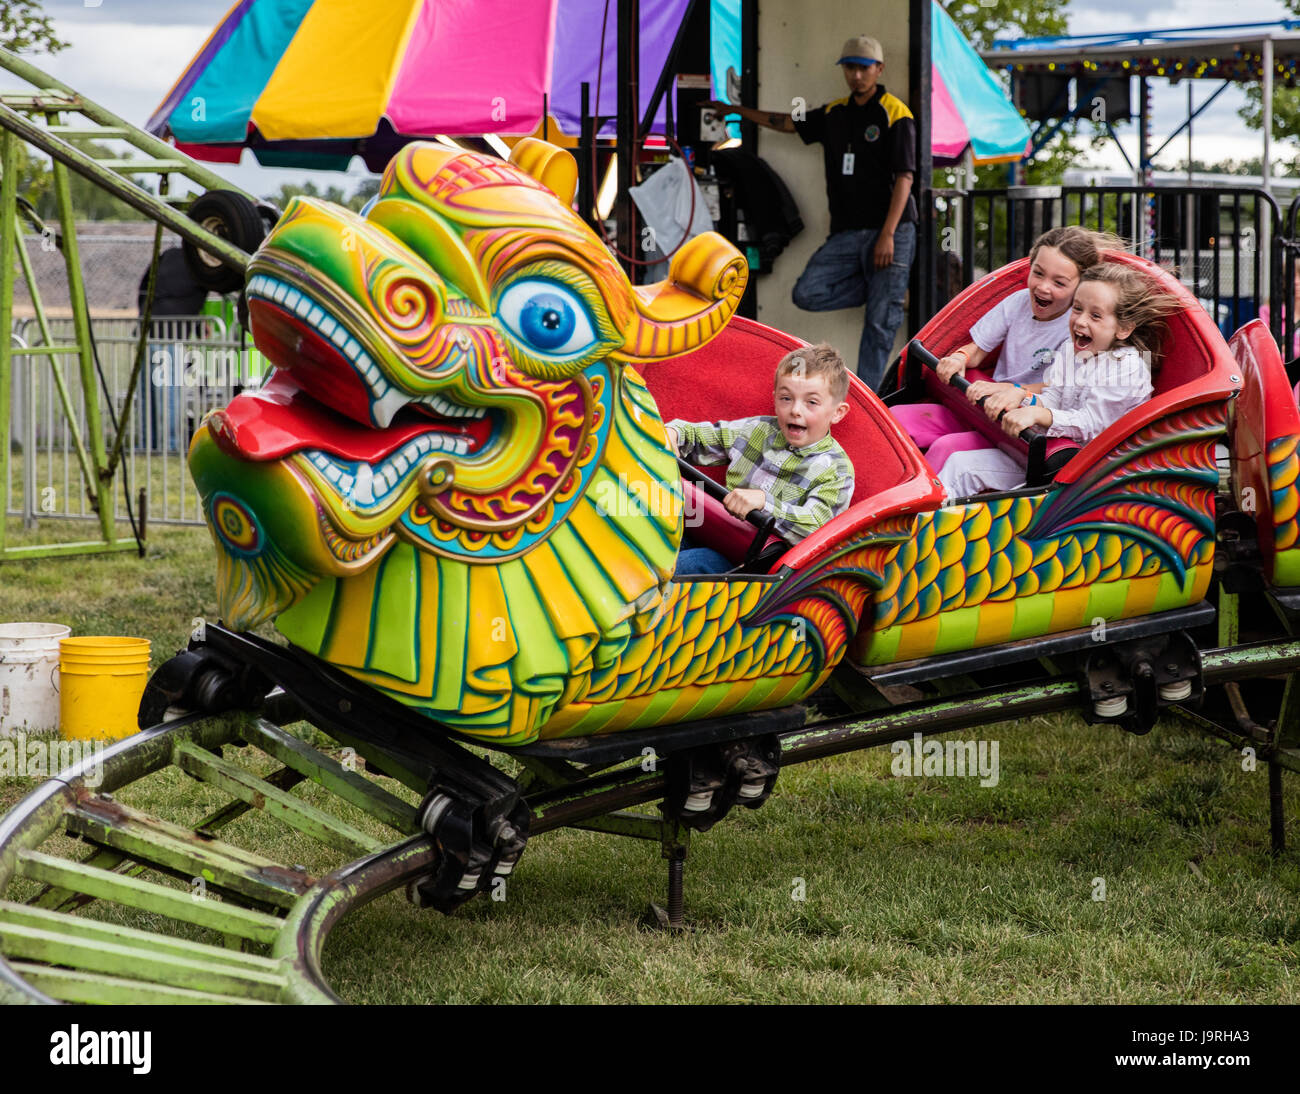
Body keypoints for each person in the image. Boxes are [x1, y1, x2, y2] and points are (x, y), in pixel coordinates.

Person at [705, 35, 916, 390]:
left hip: (891, 231)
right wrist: (738, 113)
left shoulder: (896, 112)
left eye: (864, 68)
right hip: (848, 232)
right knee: (807, 291)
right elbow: (789, 122)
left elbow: (905, 177)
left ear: (878, 69)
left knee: (879, 327)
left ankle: (867, 400)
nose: (856, 75)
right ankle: (887, 294)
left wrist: (888, 235)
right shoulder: (835, 112)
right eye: (850, 67)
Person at [936, 262, 1177, 499]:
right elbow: (1054, 396)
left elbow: (1091, 425)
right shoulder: (1071, 350)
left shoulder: (1127, 368)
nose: (1081, 321)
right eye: (1077, 309)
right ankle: (917, 526)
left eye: (1095, 316)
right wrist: (1023, 398)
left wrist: (1039, 415)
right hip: (1053, 459)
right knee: (961, 465)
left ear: (1123, 329)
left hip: (1096, 478)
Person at [891, 225, 1103, 474]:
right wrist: (961, 357)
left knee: (947, 448)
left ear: (1081, 287)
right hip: (984, 408)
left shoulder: (1076, 327)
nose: (1044, 287)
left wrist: (1011, 390)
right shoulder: (1018, 302)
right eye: (1038, 274)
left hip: (1021, 425)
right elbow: (979, 349)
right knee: (896, 419)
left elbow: (1061, 389)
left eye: (1059, 283)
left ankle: (913, 508)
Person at [665, 342, 855, 574]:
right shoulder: (758, 430)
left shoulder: (836, 469)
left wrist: (765, 503)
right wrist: (673, 434)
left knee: (686, 564)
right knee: (652, 539)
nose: (795, 410)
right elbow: (697, 437)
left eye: (811, 402)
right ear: (775, 398)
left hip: (760, 569)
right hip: (715, 533)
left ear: (837, 412)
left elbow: (817, 528)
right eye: (786, 398)